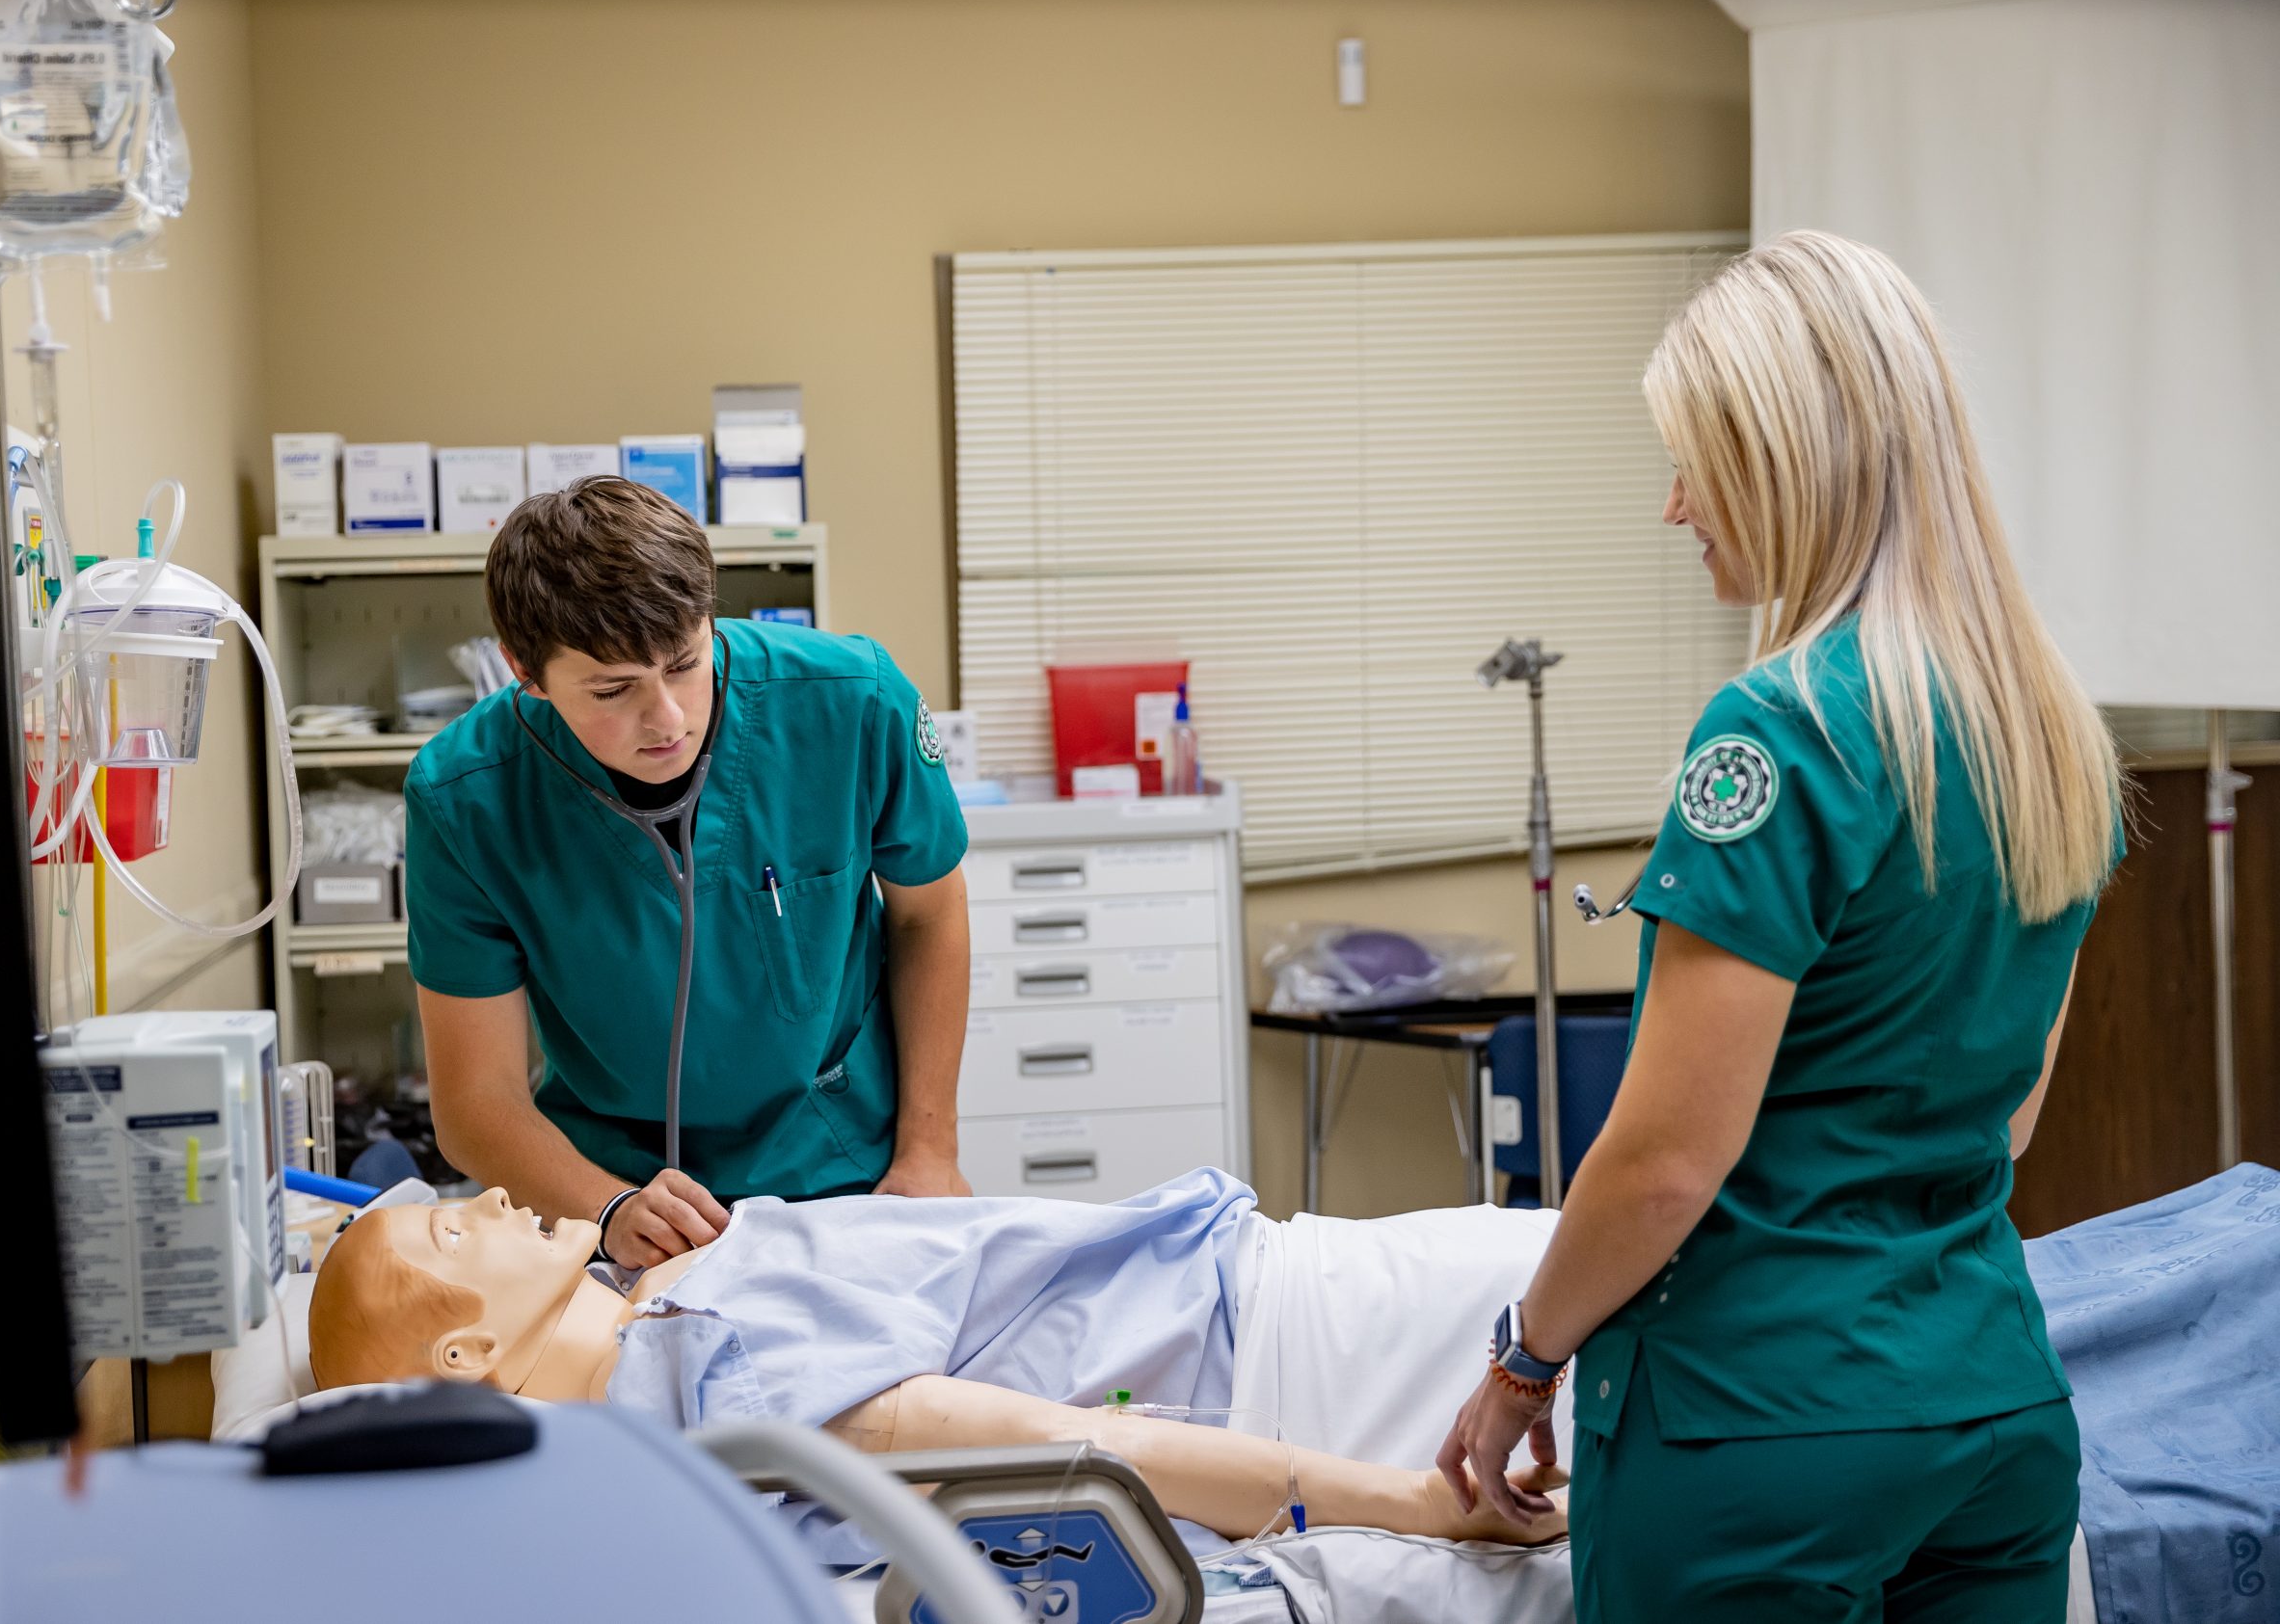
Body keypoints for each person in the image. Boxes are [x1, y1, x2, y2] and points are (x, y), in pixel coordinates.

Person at [1435, 230, 2125, 1622]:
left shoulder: (1777, 730)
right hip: (1989, 1410)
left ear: (1785, 458)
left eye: (1694, 463)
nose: (1675, 505)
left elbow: (1665, 1164)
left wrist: (1524, 1361)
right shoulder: (2047, 735)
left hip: (1758, 1435)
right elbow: (2006, 1123)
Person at [306, 1175, 1571, 1547]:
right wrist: (1420, 1505)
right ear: (468, 1352)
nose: (491, 1194)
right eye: (453, 1229)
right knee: (1643, 1264)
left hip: (1264, 1289)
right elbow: (1092, 1456)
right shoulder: (711, 1373)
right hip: (1310, 1342)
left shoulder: (663, 1305)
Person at [403, 478, 974, 1271]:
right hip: (617, 1192)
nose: (667, 718)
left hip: (847, 1173)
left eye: (684, 664)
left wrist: (929, 1149)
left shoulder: (851, 703)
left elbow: (929, 915)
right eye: (613, 689)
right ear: (524, 671)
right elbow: (476, 1099)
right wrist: (606, 1207)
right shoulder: (465, 797)